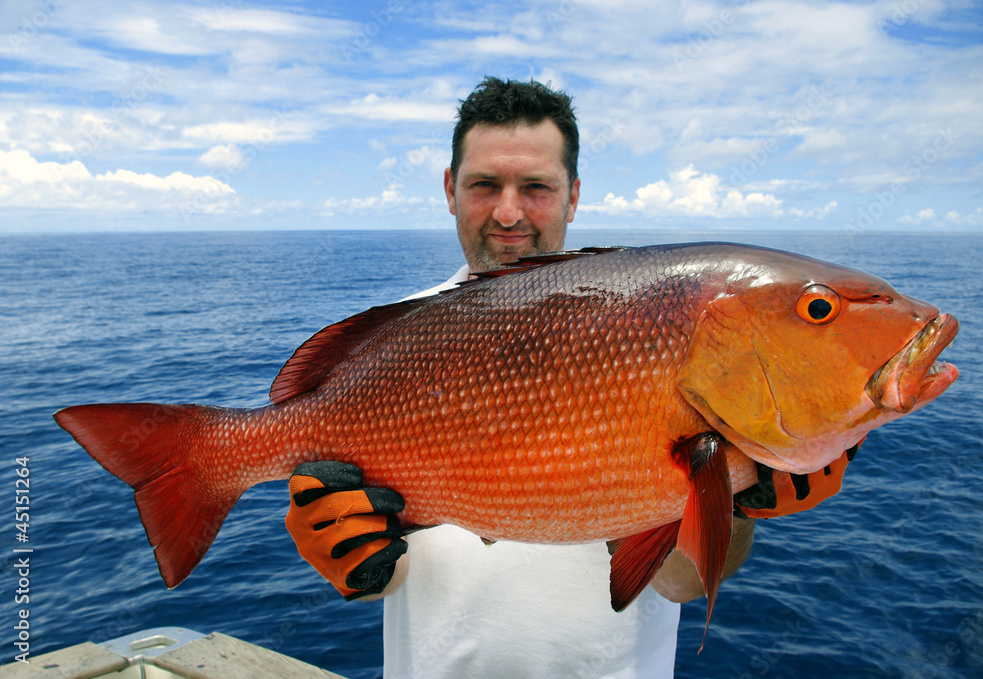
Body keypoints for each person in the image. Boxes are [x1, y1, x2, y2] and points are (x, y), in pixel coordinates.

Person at [285, 77, 849, 678]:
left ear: (572, 196)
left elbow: (681, 583)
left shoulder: (649, 321)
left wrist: (736, 506)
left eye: (535, 187)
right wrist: (343, 555)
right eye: (484, 185)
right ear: (450, 190)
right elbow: (382, 585)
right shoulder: (392, 343)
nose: (508, 212)